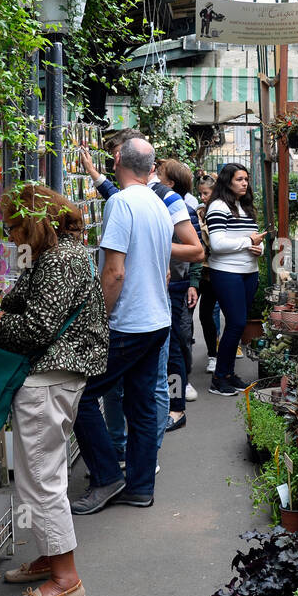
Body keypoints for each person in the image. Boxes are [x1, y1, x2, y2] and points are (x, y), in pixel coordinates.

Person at [0, 184, 106, 596]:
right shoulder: (67, 253)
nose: (10, 238)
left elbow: (35, 330)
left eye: (14, 228)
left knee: (41, 479)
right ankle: (50, 556)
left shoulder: (59, 260)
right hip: (57, 377)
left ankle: (66, 578)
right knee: (37, 474)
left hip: (49, 379)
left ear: (34, 222)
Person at [71, 134, 203, 514]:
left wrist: (95, 320)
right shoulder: (159, 204)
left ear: (117, 161)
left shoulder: (122, 204)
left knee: (79, 395)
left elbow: (113, 273)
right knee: (143, 407)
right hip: (156, 320)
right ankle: (140, 486)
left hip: (127, 323)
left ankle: (108, 476)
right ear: (150, 168)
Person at [204, 162, 264, 396]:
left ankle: (228, 373)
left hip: (248, 272)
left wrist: (256, 248)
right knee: (237, 323)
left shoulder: (244, 206)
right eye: (239, 179)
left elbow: (250, 239)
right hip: (227, 272)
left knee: (236, 325)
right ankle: (218, 379)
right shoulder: (218, 206)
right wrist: (249, 243)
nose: (244, 183)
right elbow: (217, 245)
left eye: (246, 179)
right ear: (227, 181)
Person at [155, 158, 203, 423]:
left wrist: (193, 284)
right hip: (166, 285)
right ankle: (173, 396)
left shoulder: (183, 210)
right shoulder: (156, 205)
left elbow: (197, 253)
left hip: (177, 286)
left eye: (159, 174)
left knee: (178, 342)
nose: (153, 177)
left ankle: (178, 398)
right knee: (171, 343)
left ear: (170, 184)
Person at [195, 174, 222, 374]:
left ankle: (215, 355)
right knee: (204, 315)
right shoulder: (198, 212)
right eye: (201, 193)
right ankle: (213, 354)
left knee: (209, 313)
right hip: (199, 271)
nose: (203, 197)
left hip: (213, 272)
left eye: (206, 193)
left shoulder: (219, 211)